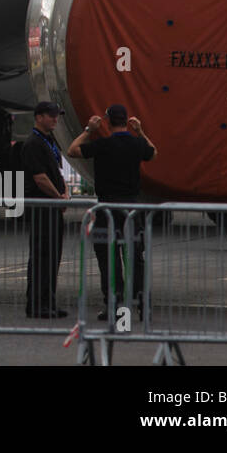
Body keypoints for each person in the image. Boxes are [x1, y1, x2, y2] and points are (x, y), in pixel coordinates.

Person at [68, 104, 158, 320]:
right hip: (131, 210)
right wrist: (141, 131)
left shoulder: (102, 144)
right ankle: (142, 305)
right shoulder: (136, 144)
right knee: (135, 258)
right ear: (126, 121)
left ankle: (115, 306)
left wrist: (89, 129)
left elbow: (72, 150)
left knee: (109, 260)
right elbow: (153, 153)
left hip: (106, 209)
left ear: (107, 122)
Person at [22, 101, 70, 318]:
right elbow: (40, 178)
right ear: (39, 117)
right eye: (51, 116)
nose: (55, 119)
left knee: (52, 257)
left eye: (56, 116)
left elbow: (57, 173)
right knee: (41, 256)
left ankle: (48, 302)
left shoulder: (50, 142)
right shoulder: (33, 144)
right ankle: (36, 304)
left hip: (53, 207)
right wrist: (58, 197)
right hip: (42, 207)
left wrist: (65, 193)